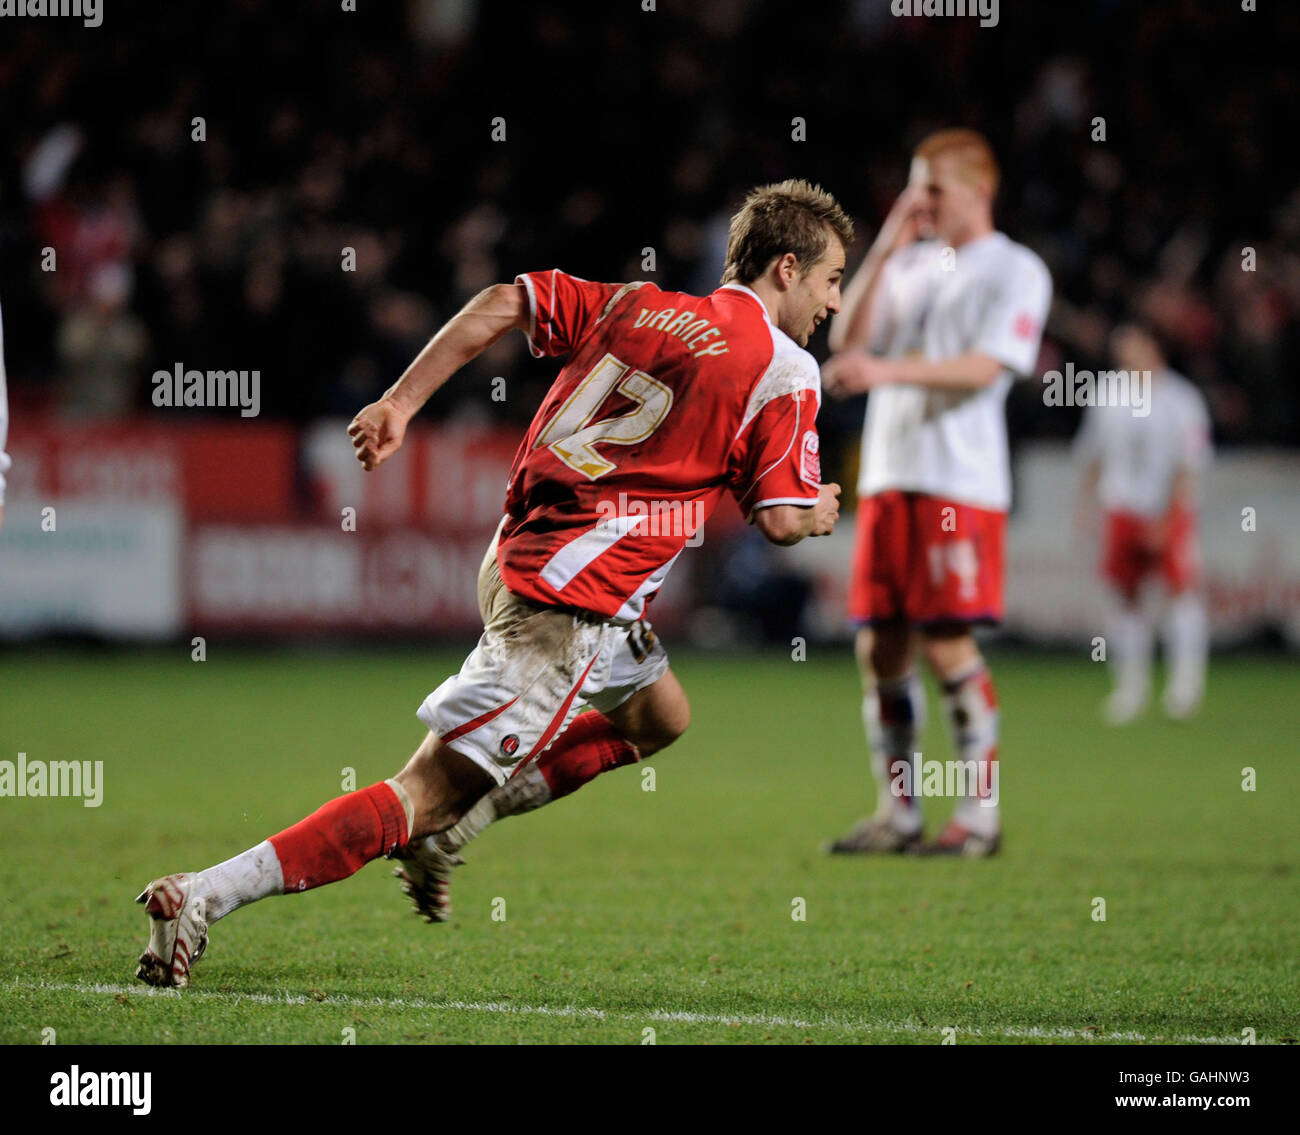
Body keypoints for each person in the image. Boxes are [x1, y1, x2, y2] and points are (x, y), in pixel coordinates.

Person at [135, 179, 849, 985]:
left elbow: (503, 301)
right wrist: (821, 508)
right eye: (829, 279)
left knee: (659, 715)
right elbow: (784, 520)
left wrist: (400, 404)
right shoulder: (786, 367)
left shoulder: (637, 302)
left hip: (521, 558)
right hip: (568, 607)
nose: (832, 302)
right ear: (786, 268)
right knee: (421, 795)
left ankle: (453, 823)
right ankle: (205, 894)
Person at [820, 130, 1052, 858]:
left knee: (947, 638)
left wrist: (886, 375)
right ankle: (900, 812)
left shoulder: (1015, 269)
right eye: (913, 188)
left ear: (978, 192)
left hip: (960, 478)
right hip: (891, 472)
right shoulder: (913, 261)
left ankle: (979, 817)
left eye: (932, 190)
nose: (920, 202)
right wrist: (888, 241)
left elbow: (989, 366)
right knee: (880, 643)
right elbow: (845, 340)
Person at [1075, 324, 1212, 723]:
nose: (1123, 355)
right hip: (1122, 508)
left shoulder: (1182, 399)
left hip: (1168, 508)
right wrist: (1085, 505)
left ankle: (1185, 686)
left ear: (1152, 348)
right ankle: (1130, 688)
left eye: (1131, 347)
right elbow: (1092, 453)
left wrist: (1169, 518)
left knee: (1180, 592)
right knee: (1124, 597)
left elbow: (1191, 464)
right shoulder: (1107, 393)